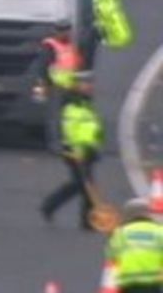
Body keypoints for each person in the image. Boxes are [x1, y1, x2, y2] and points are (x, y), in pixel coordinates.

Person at [40, 72, 104, 231]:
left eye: (90, 83)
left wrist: (95, 145)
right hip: (76, 152)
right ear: (76, 86)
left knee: (82, 185)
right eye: (86, 83)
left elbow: (89, 127)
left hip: (87, 150)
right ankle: (86, 221)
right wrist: (75, 151)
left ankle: (52, 207)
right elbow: (69, 130)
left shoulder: (84, 103)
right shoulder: (72, 105)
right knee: (84, 185)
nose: (90, 86)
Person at [105, 197, 163, 293]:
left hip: (128, 283)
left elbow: (111, 257)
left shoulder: (120, 233)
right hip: (152, 283)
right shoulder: (159, 231)